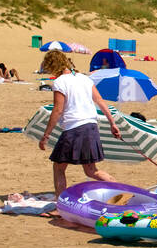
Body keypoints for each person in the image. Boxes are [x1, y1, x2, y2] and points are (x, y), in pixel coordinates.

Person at [37, 49, 120, 196]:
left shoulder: (60, 82)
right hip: (91, 127)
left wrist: (46, 135)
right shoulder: (84, 78)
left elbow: (57, 110)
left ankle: (60, 206)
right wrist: (112, 122)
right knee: (91, 170)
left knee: (59, 168)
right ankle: (121, 192)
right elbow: (99, 101)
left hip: (74, 129)